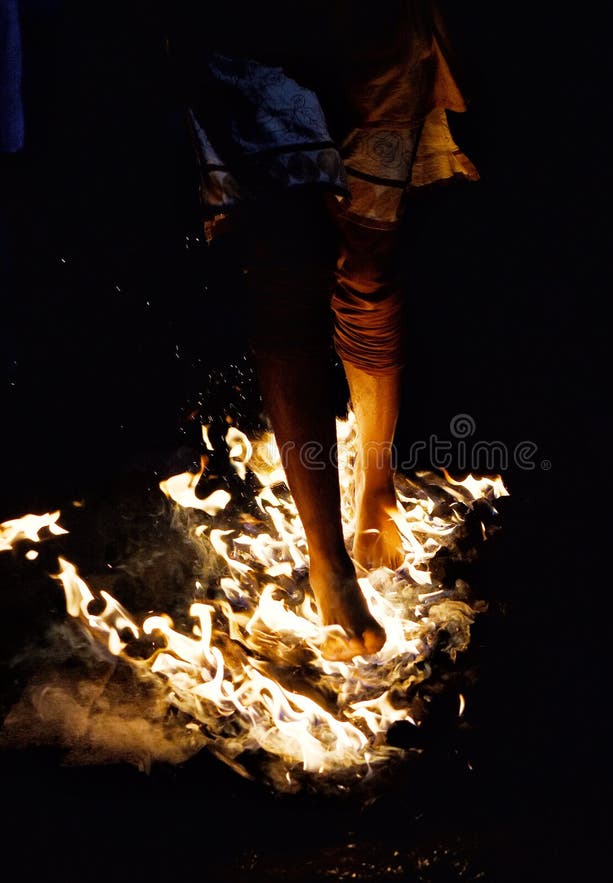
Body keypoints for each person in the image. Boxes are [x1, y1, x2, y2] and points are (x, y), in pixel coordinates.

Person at [164, 2, 479, 662]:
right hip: (254, 39)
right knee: (289, 270)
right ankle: (327, 560)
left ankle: (377, 485)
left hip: (375, 31)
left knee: (369, 269)